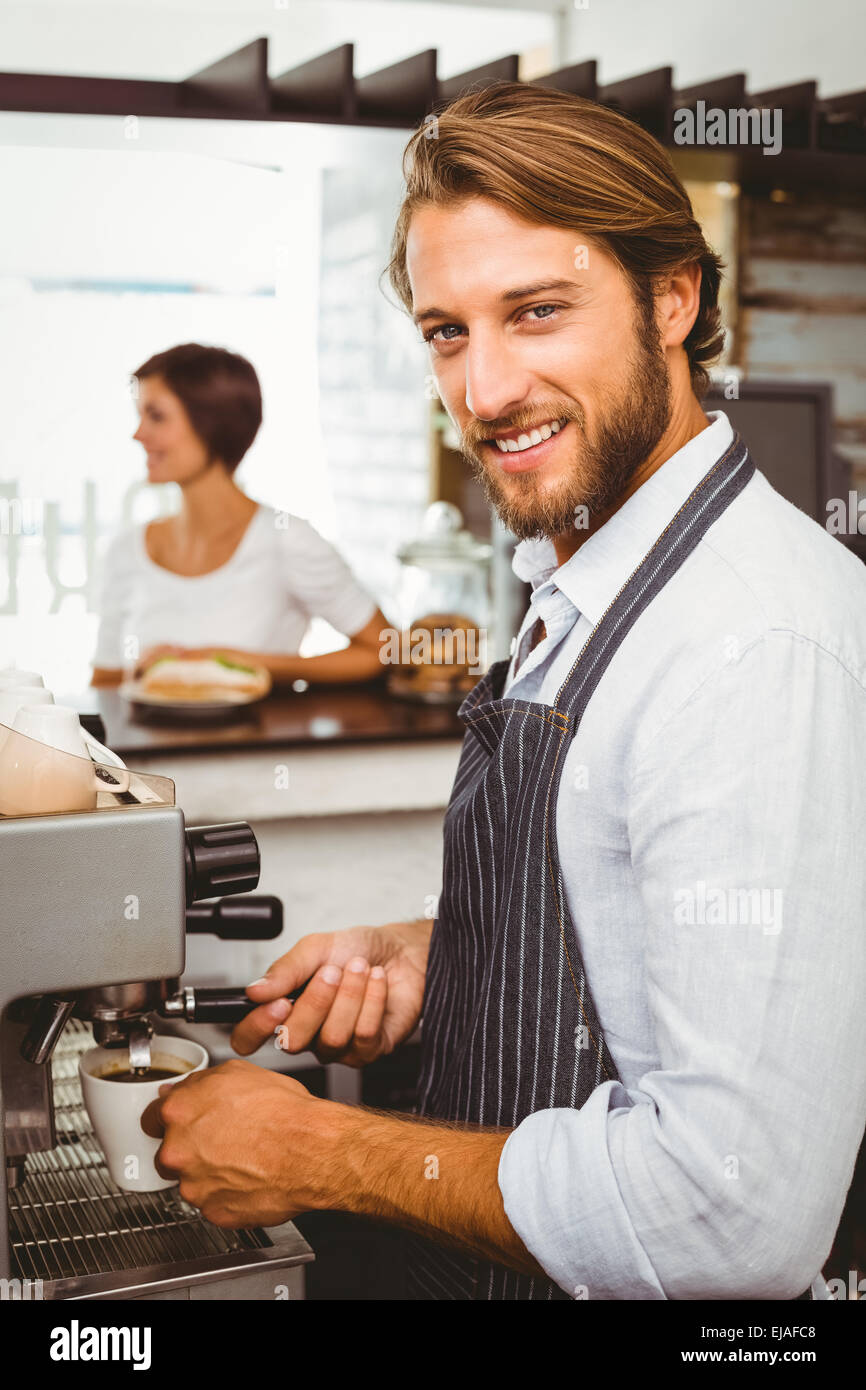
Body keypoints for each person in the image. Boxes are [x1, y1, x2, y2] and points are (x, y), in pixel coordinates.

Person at [142, 84, 866, 1300]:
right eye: (445, 332)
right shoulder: (589, 574)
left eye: (535, 312)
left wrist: (318, 1147)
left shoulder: (749, 642)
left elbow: (730, 1219)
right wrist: (457, 961)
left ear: (672, 298)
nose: (482, 393)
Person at [90, 343, 387, 688]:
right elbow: (104, 680)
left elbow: (381, 650)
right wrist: (143, 671)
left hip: (250, 741)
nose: (138, 434)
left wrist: (248, 663)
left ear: (211, 423)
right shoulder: (128, 549)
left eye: (156, 416)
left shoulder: (288, 540)